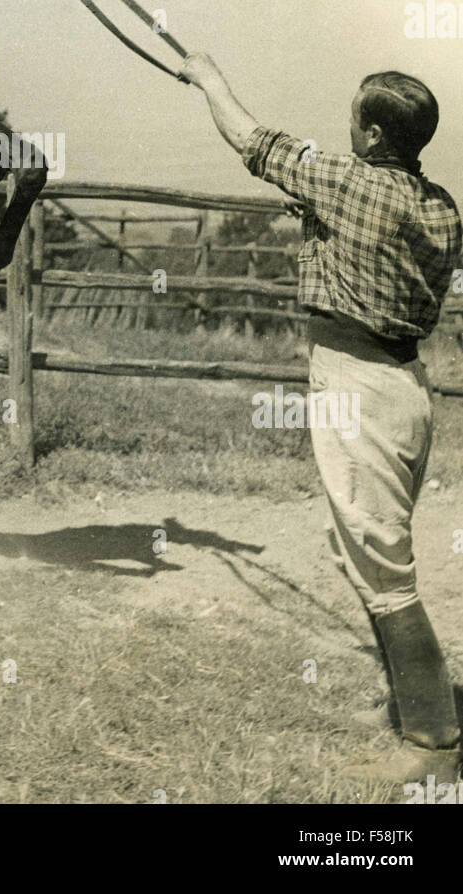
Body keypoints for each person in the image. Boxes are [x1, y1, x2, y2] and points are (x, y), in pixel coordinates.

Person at [178, 55, 461, 784]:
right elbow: (373, 235)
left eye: (352, 124)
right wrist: (315, 219)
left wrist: (210, 78)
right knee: (363, 555)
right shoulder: (440, 205)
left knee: (383, 571)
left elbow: (253, 142)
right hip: (401, 385)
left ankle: (431, 743)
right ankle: (410, 706)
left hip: (356, 387)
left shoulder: (345, 181)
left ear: (369, 134)